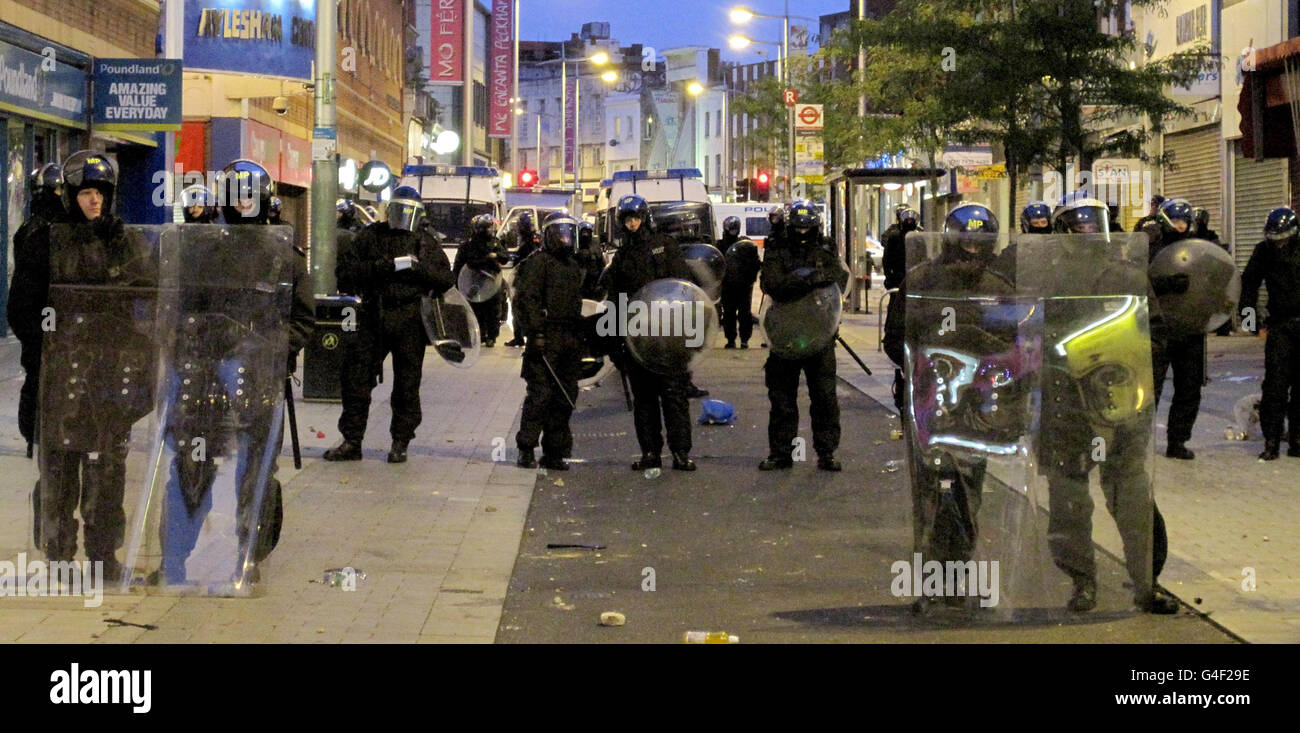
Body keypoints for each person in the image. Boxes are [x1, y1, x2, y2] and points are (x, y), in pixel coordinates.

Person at [156, 159, 315, 585]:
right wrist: (182, 347)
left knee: (256, 472)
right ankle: (172, 561)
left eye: (248, 194)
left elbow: (302, 318)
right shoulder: (202, 248)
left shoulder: (284, 255)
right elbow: (177, 307)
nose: (242, 203)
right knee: (191, 467)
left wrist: (274, 352)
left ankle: (249, 558)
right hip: (204, 376)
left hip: (257, 380)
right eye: (234, 195)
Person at [1032, 198, 1178, 614]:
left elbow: (1156, 333)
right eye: (1078, 225)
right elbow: (1025, 332)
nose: (1087, 232)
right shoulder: (1047, 276)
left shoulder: (1126, 275)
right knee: (1069, 501)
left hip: (1118, 403)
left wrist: (1142, 380)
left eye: (1093, 223)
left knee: (1132, 496)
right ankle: (1082, 582)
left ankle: (1147, 582)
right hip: (1066, 404)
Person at [30, 152, 157, 579]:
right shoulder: (46, 240)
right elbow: (25, 306)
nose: (94, 201)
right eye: (85, 193)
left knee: (107, 469)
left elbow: (148, 300)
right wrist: (46, 345)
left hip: (109, 370)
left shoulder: (126, 240)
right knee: (60, 471)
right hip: (62, 371)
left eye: (100, 193)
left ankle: (103, 555)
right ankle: (59, 555)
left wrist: (135, 349)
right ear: (71, 195)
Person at [883, 203, 1010, 612]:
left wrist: (985, 357)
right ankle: (932, 583)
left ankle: (955, 580)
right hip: (930, 401)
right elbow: (895, 340)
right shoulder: (920, 280)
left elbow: (1017, 341)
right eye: (968, 241)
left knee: (966, 492)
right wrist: (931, 360)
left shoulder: (998, 286)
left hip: (975, 403)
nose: (974, 250)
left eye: (981, 242)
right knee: (932, 493)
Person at [324, 186, 453, 464]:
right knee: (356, 378)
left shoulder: (425, 241)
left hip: (410, 319)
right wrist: (383, 267)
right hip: (374, 314)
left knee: (407, 384)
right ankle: (352, 440)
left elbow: (445, 279)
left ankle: (400, 441)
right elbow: (346, 274)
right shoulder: (371, 236)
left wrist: (418, 268)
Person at [601, 195, 697, 471]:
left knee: (674, 396)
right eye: (627, 220)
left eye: (636, 218)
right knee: (644, 400)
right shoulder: (622, 256)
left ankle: (680, 452)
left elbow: (682, 286)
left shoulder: (665, 246)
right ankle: (650, 452)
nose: (632, 224)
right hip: (637, 336)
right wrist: (614, 340)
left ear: (646, 218)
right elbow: (615, 298)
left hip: (667, 333)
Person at [758, 201, 849, 471]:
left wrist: (808, 277)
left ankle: (827, 451)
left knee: (824, 398)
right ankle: (781, 452)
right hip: (784, 332)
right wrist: (807, 279)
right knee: (782, 399)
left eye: (806, 229)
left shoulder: (825, 247)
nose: (801, 234)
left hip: (819, 333)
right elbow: (772, 284)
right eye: (797, 229)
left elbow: (837, 277)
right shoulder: (777, 247)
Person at [512, 214, 587, 471]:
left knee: (565, 396)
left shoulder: (573, 265)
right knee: (540, 396)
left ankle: (554, 451)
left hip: (569, 336)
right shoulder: (537, 263)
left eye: (569, 232)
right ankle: (526, 448)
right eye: (560, 233)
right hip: (545, 337)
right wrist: (536, 333)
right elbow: (527, 300)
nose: (565, 238)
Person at [7, 163, 64, 458]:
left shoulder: (61, 229)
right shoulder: (37, 232)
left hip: (53, 330)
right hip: (43, 328)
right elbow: (22, 299)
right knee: (38, 391)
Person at [1143, 198, 1203, 459]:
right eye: (1176, 221)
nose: (1180, 226)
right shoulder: (1149, 246)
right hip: (1159, 327)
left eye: (1184, 221)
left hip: (1191, 326)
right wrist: (1164, 284)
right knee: (1150, 388)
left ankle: (1177, 440)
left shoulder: (1199, 246)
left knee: (1189, 388)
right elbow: (1138, 279)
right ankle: (1140, 442)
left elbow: (1214, 275)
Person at [1240, 207, 1300, 460]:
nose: (1278, 244)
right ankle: (1272, 440)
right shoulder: (1263, 252)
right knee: (1275, 386)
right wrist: (1250, 321)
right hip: (1280, 325)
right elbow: (1249, 284)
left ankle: (1296, 440)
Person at [453, 213, 506, 347]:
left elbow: (505, 257)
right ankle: (480, 335)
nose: (490, 230)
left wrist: (495, 255)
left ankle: (491, 336)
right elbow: (466, 264)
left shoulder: (494, 242)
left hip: (492, 283)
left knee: (493, 311)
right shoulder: (469, 245)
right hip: (474, 282)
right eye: (487, 227)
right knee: (476, 310)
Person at [719, 216, 761, 349]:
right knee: (729, 313)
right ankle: (731, 339)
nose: (733, 231)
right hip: (728, 284)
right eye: (731, 229)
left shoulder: (745, 244)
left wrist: (750, 278)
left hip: (743, 284)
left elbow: (755, 262)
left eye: (734, 229)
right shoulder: (720, 244)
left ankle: (744, 339)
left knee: (744, 314)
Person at [504, 211, 540, 347]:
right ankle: (519, 337)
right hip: (525, 281)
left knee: (520, 310)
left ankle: (522, 338)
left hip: (525, 282)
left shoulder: (528, 245)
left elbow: (523, 263)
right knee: (519, 310)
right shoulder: (530, 242)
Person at [882, 206, 921, 290]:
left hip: (915, 276)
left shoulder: (919, 237)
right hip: (897, 276)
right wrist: (889, 277)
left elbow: (923, 257)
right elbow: (887, 258)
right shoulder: (894, 235)